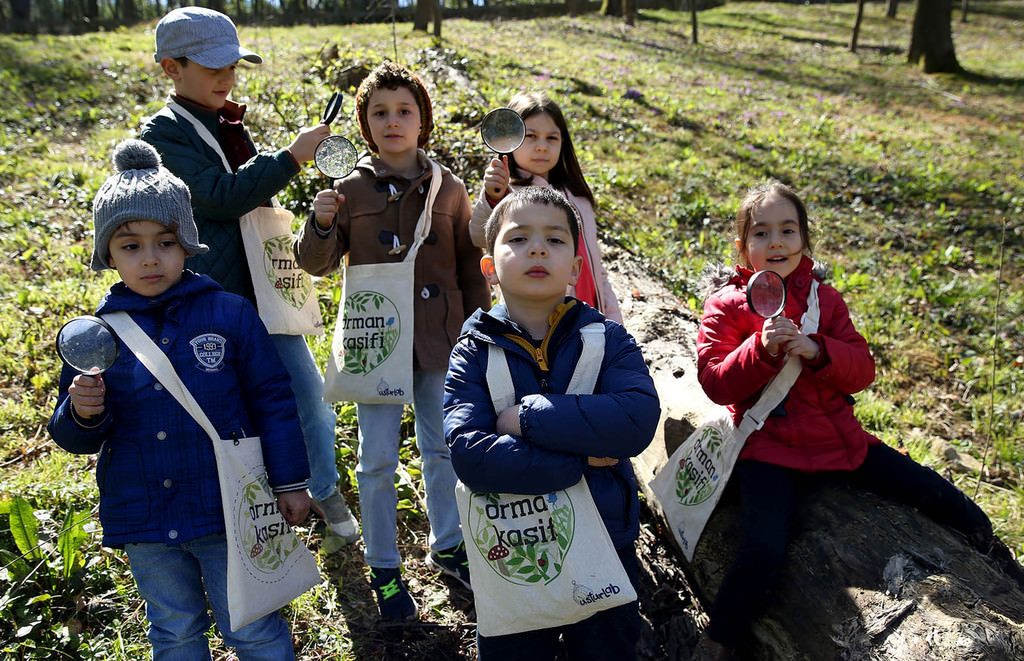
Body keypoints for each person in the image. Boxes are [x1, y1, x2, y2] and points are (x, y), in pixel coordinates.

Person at [691, 181, 1003, 660]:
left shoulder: (825, 301)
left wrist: (819, 350)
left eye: (788, 231)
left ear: (804, 241)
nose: (776, 242)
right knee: (762, 549)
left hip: (839, 441)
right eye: (761, 233)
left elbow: (862, 371)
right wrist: (759, 349)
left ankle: (995, 554)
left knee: (932, 490)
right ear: (742, 248)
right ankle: (719, 640)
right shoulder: (728, 306)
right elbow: (715, 381)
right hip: (768, 448)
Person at [47, 139, 311, 659]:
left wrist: (289, 482)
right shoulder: (97, 335)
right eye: (130, 246)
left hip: (227, 508)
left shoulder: (229, 313)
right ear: (107, 254)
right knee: (173, 632)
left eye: (164, 242)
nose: (150, 259)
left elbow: (273, 401)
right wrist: (83, 411)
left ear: (187, 243)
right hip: (145, 516)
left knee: (252, 626)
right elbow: (73, 435)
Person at [138, 6, 360, 543]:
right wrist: (289, 158)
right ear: (171, 68)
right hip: (215, 300)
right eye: (213, 67)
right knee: (237, 413)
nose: (226, 77)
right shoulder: (162, 136)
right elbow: (218, 197)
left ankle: (325, 495)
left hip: (266, 292)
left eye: (233, 66)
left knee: (308, 396)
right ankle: (261, 521)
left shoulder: (225, 123)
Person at [293, 61, 491, 620]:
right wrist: (323, 221)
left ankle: (449, 546)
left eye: (405, 110)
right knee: (376, 457)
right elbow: (314, 264)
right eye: (380, 112)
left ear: (423, 119)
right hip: (375, 339)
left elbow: (467, 266)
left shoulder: (448, 187)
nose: (393, 121)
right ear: (364, 123)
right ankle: (384, 566)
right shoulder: (348, 188)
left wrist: (477, 332)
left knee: (444, 446)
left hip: (441, 338)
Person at [443, 186, 661, 660]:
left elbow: (636, 420)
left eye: (555, 240)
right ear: (489, 268)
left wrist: (526, 417)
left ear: (577, 269)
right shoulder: (472, 352)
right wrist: (583, 456)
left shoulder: (609, 340)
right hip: (512, 552)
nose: (537, 249)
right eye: (518, 238)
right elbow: (470, 455)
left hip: (605, 540)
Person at [469, 91, 623, 325]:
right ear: (510, 139)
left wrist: (612, 319)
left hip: (589, 321)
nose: (542, 147)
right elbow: (479, 236)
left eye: (552, 138)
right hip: (533, 325)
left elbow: (596, 270)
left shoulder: (579, 199)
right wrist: (492, 197)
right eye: (530, 136)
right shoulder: (508, 194)